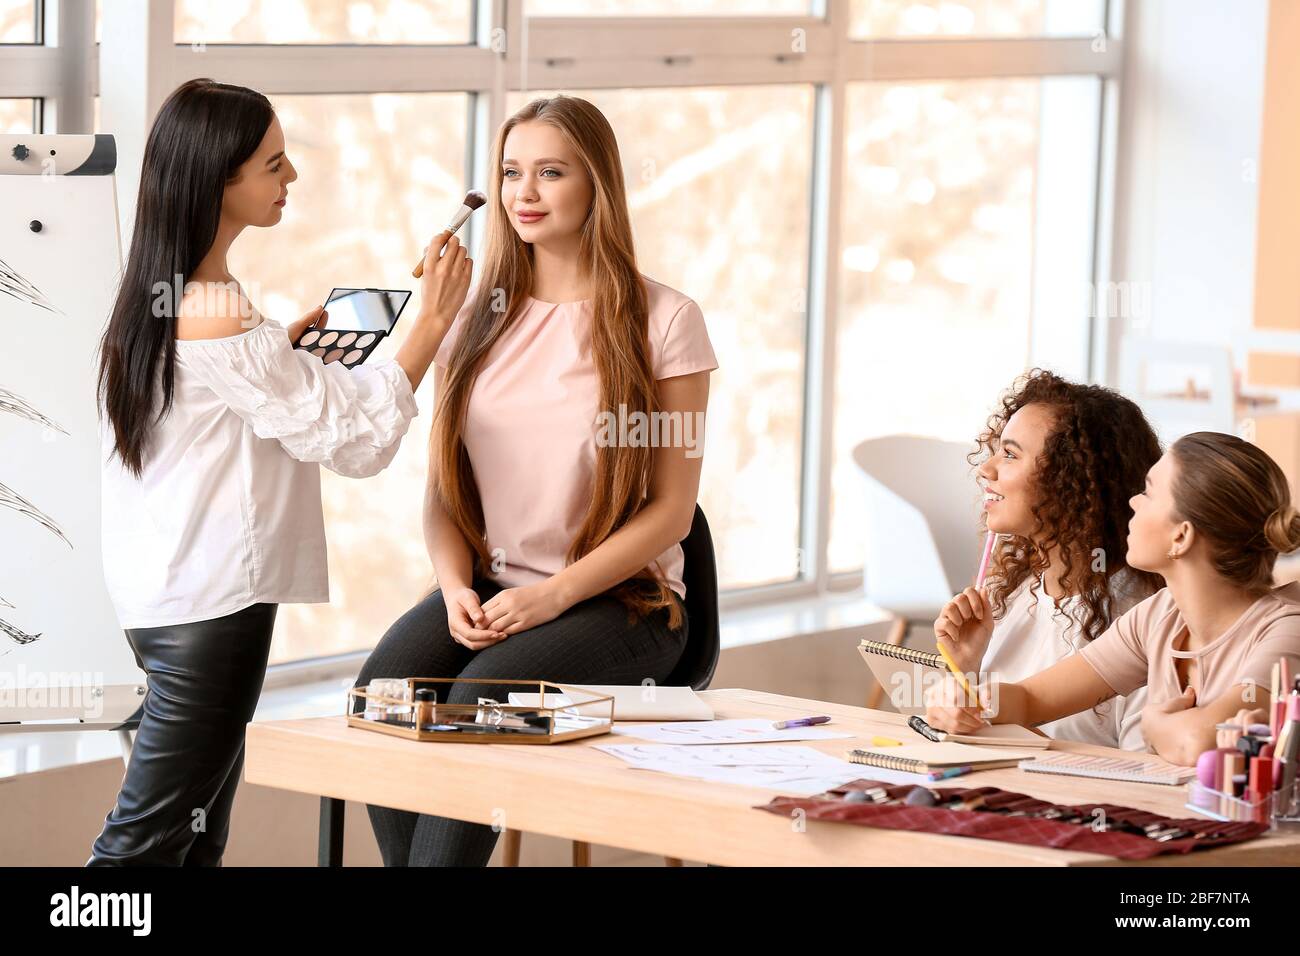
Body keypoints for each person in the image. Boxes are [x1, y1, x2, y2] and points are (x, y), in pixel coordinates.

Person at [89, 78, 470, 865]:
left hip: (166, 600)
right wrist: (430, 323)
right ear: (218, 178)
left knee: (193, 842)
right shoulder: (219, 310)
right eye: (274, 163)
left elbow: (233, 417)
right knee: (142, 850)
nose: (290, 177)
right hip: (210, 615)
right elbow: (356, 443)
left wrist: (280, 361)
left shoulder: (163, 294)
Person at [355, 94, 717, 866]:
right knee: (386, 693)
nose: (524, 192)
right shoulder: (473, 317)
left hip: (626, 604)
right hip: (491, 587)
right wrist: (454, 586)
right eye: (512, 172)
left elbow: (672, 511)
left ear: (598, 186)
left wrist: (551, 596)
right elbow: (444, 491)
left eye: (550, 172)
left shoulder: (666, 320)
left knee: (475, 703)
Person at [925, 431, 1300, 767]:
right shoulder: (1159, 615)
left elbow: (1200, 743)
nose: (1134, 502)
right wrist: (968, 696)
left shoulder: (1286, 629)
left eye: (1150, 492)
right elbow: (1031, 699)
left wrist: (1156, 724)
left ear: (1181, 537)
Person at [931, 370, 1162, 749]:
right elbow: (968, 733)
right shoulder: (1010, 593)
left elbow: (1145, 776)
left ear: (1072, 478)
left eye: (1009, 454)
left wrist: (1001, 728)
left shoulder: (1142, 618)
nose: (985, 470)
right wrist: (963, 669)